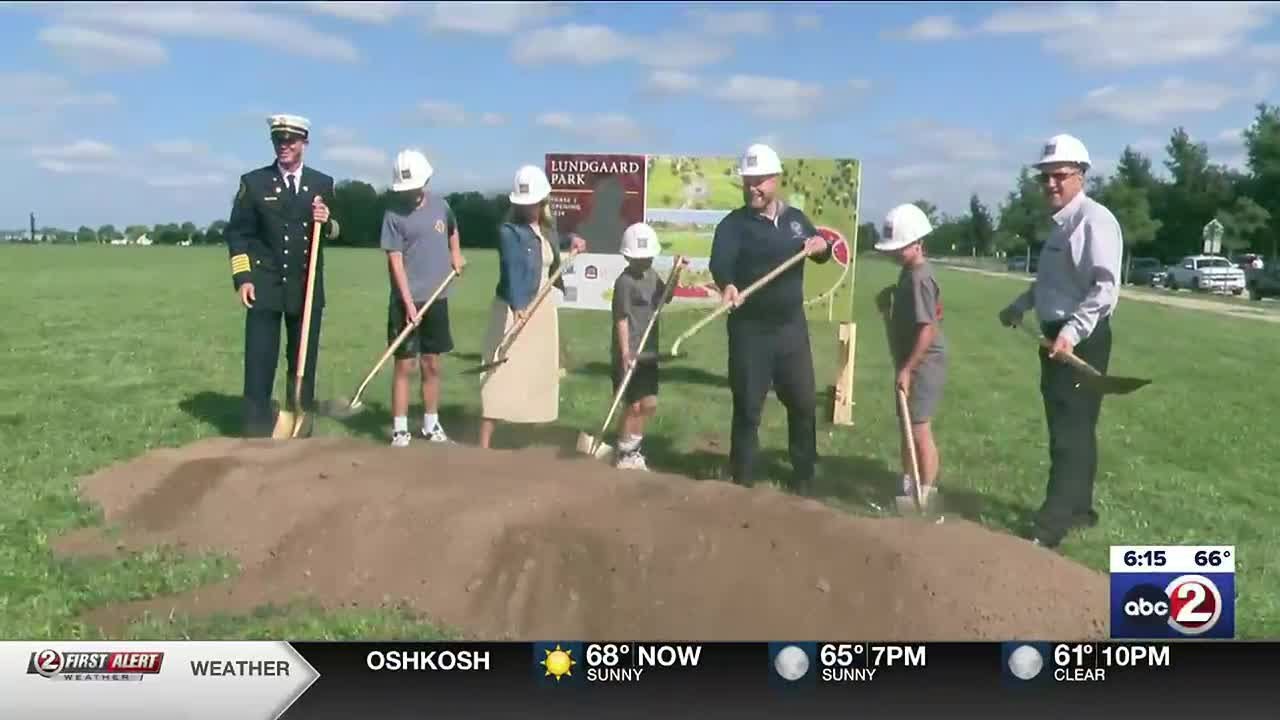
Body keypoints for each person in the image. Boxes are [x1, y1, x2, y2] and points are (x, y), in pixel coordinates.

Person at [998, 133, 1123, 548]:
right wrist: (1020, 305)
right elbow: (1049, 282)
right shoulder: (1059, 226)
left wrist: (1069, 334)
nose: (1051, 184)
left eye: (1060, 176)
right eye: (1045, 177)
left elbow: (1103, 289)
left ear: (1081, 176)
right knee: (1072, 428)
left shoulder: (1094, 221)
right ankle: (1080, 510)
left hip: (1080, 339)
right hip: (1055, 337)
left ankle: (1049, 526)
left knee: (1070, 431)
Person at [709, 143, 833, 492]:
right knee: (748, 406)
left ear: (776, 179)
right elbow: (721, 264)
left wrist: (821, 246)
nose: (753, 188)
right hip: (750, 331)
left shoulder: (795, 220)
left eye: (760, 181)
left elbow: (820, 249)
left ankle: (804, 475)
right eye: (748, 181)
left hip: (791, 330)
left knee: (803, 403)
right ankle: (743, 477)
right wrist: (728, 285)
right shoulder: (733, 226)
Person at [225, 113, 340, 438]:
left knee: (303, 360)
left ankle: (299, 423)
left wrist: (327, 221)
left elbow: (339, 231)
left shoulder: (323, 184)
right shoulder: (254, 183)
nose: (284, 146)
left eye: (290, 140)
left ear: (305, 142)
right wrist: (243, 277)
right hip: (264, 285)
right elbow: (238, 235)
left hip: (306, 288)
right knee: (260, 360)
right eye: (278, 140)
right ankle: (257, 426)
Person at [478, 165, 586, 449]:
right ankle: (484, 444)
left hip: (542, 307)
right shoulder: (508, 232)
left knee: (538, 370)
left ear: (542, 201)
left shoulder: (547, 229)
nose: (530, 209)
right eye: (525, 205)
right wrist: (517, 307)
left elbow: (550, 243)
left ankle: (527, 436)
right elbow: (511, 268)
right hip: (515, 307)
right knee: (500, 370)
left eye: (534, 203)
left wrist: (571, 239)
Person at [380, 149, 466, 447]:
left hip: (437, 299)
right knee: (405, 366)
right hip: (405, 301)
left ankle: (431, 424)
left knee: (432, 364)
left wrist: (455, 254)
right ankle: (400, 429)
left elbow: (452, 232)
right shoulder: (392, 215)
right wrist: (407, 304)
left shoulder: (441, 207)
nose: (411, 193)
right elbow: (395, 262)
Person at [874, 203, 948, 508]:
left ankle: (926, 492)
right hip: (909, 359)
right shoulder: (908, 273)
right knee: (907, 425)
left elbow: (927, 329)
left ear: (917, 243)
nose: (893, 254)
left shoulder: (920, 278)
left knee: (918, 428)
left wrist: (908, 368)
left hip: (923, 361)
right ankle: (909, 484)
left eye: (899, 248)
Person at [610, 222, 667, 470]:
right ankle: (625, 454)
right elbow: (621, 318)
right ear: (627, 257)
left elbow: (667, 297)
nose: (645, 263)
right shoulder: (624, 282)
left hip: (649, 352)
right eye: (639, 259)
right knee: (633, 405)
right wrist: (624, 351)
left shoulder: (653, 276)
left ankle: (632, 449)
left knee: (649, 404)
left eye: (648, 258)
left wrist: (676, 273)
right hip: (629, 352)